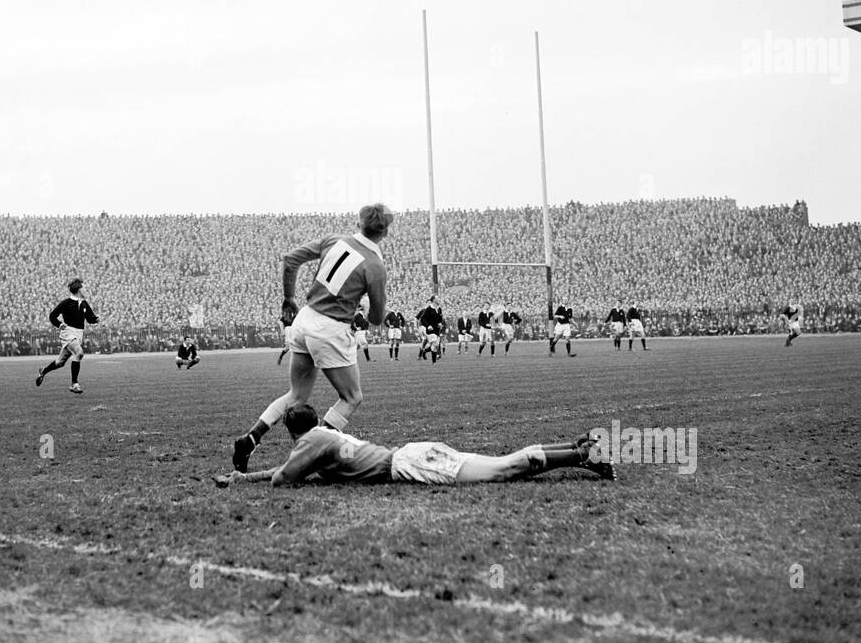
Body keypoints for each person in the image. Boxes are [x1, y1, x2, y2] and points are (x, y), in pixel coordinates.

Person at [231, 202, 394, 473]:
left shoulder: (333, 240)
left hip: (304, 319)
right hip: (330, 330)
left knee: (296, 394)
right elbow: (377, 319)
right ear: (385, 232)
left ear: (358, 224)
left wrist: (288, 298)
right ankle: (315, 451)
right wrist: (371, 305)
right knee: (352, 397)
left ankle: (250, 439)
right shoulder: (375, 266)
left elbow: (290, 259)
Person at [214, 403, 614, 487]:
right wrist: (239, 476)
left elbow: (283, 480)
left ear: (291, 433)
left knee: (503, 469)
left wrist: (246, 479)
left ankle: (582, 455)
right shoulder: (324, 436)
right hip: (412, 453)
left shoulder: (310, 442)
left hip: (409, 465)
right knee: (500, 464)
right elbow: (294, 469)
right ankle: (578, 447)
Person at [36, 278, 98, 394]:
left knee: (60, 362)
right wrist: (59, 324)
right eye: (83, 288)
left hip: (78, 334)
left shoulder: (83, 303)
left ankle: (43, 371)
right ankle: (74, 384)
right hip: (68, 333)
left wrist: (96, 320)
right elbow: (52, 316)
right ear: (79, 290)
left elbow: (90, 318)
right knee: (79, 353)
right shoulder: (66, 303)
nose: (85, 290)